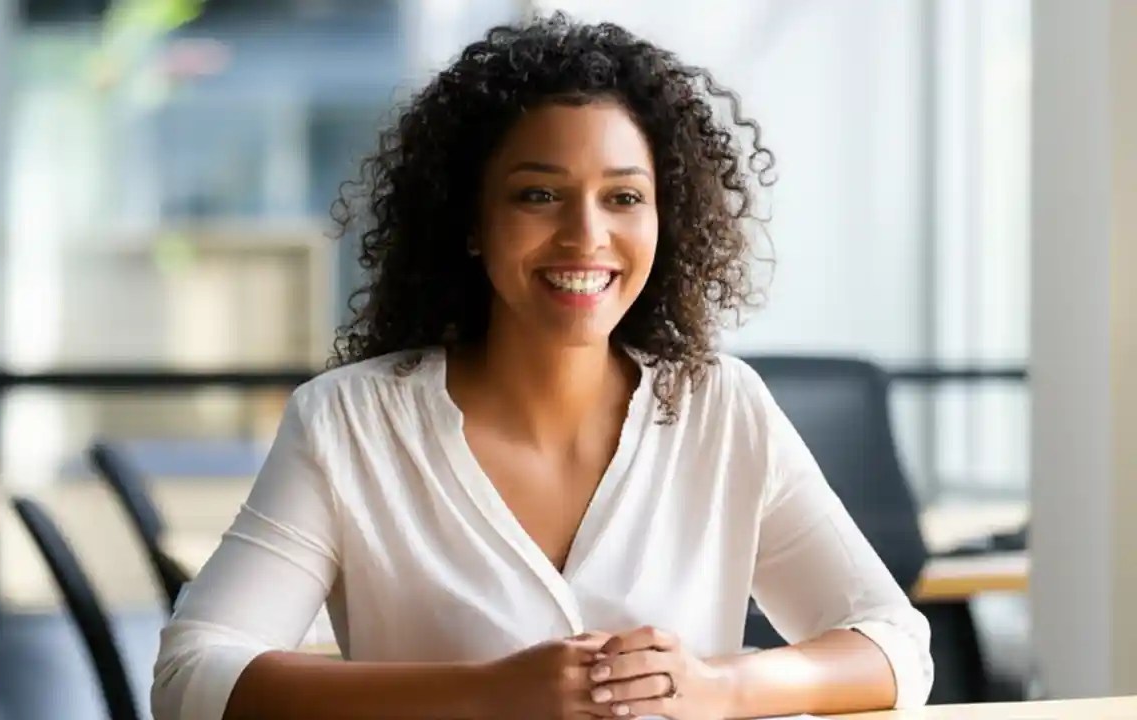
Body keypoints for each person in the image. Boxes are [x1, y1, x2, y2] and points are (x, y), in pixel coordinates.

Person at [152, 13, 932, 720]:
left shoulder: (719, 407)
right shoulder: (350, 422)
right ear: (470, 222)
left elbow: (895, 646)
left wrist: (720, 686)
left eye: (624, 199)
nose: (586, 237)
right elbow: (194, 676)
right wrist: (489, 692)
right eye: (538, 195)